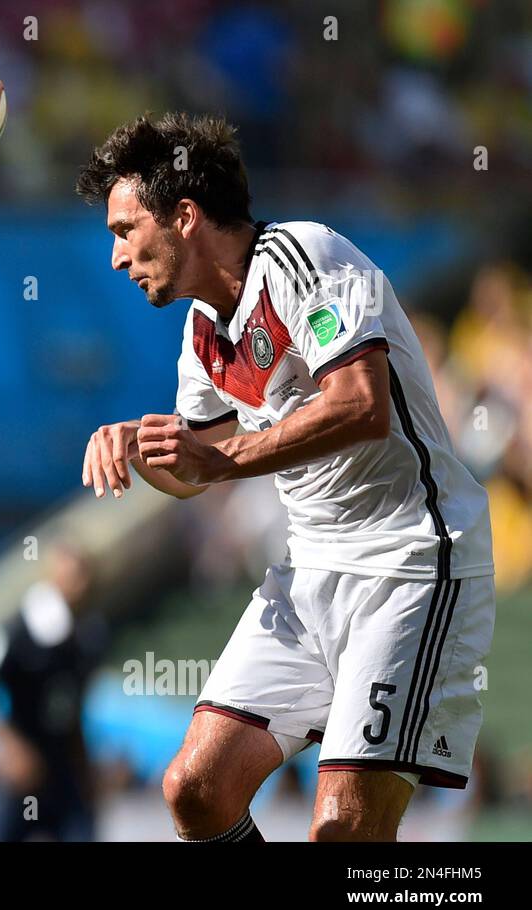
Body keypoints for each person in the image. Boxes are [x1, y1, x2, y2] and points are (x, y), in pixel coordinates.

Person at [76, 113, 494, 842]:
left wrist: (220, 458)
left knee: (344, 830)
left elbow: (360, 406)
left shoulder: (305, 255)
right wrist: (144, 448)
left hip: (411, 560)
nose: (117, 257)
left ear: (184, 215)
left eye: (123, 230)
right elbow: (197, 468)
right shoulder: (203, 328)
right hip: (309, 572)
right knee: (195, 790)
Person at [0, 543, 106, 841]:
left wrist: (85, 767)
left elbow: (71, 709)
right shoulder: (15, 633)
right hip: (21, 772)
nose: (78, 585)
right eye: (70, 576)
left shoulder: (87, 638)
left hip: (62, 769)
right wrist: (5, 749)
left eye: (82, 576)